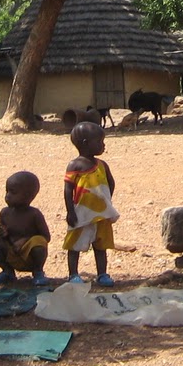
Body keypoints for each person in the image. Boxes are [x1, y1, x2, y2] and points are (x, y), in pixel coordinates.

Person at [63, 121, 118, 287]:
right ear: (86, 143)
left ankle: (102, 274)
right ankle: (73, 274)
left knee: (100, 246)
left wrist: (106, 201)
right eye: (99, 142)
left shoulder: (102, 165)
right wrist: (70, 211)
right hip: (81, 212)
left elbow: (111, 183)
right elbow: (67, 190)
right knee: (75, 245)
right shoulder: (75, 165)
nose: (103, 145)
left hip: (101, 214)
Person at [0, 171, 52, 286]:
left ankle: (38, 272)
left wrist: (24, 240)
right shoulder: (5, 213)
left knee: (39, 242)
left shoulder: (34, 214)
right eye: (7, 191)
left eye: (13, 192)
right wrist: (3, 234)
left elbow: (46, 237)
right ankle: (7, 271)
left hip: (28, 255)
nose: (7, 196)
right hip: (11, 253)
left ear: (28, 195)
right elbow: (0, 236)